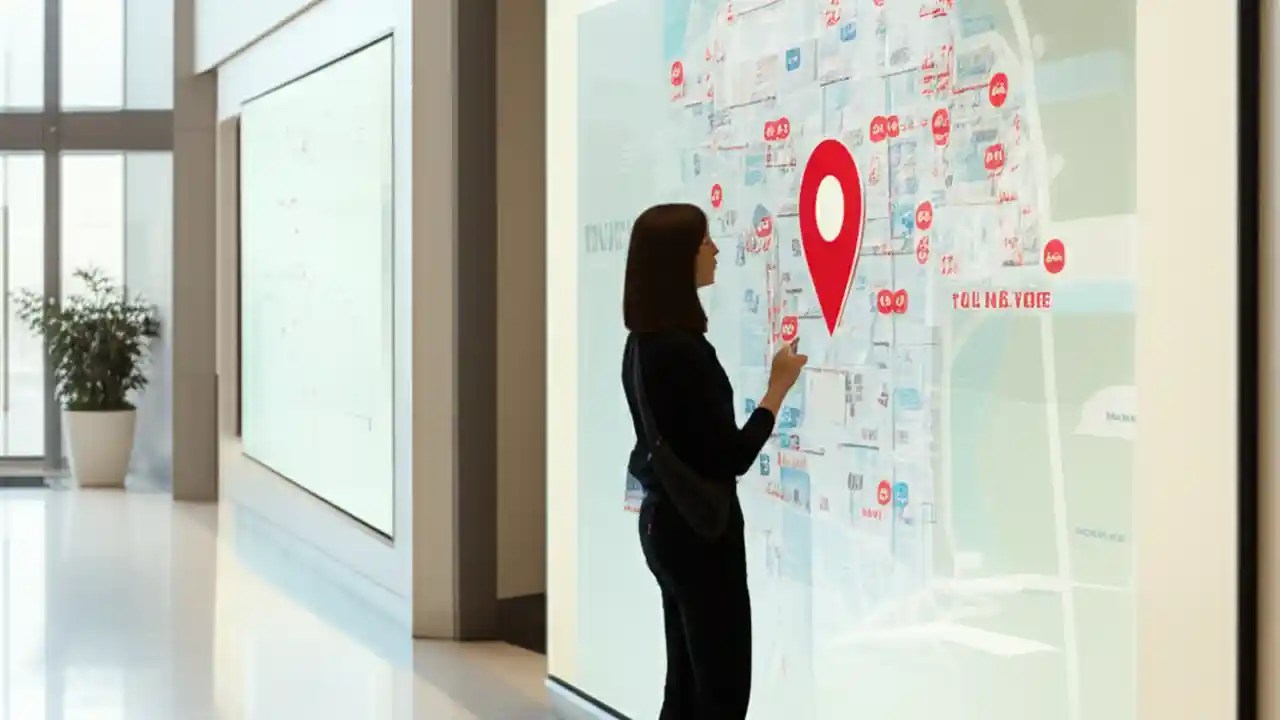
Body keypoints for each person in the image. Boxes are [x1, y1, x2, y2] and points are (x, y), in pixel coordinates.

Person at [621, 203, 807, 719]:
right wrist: (777, 390)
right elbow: (731, 456)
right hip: (701, 540)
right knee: (721, 694)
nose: (716, 250)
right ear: (679, 258)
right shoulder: (682, 352)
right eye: (706, 242)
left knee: (683, 686)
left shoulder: (641, 345)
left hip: (663, 527)